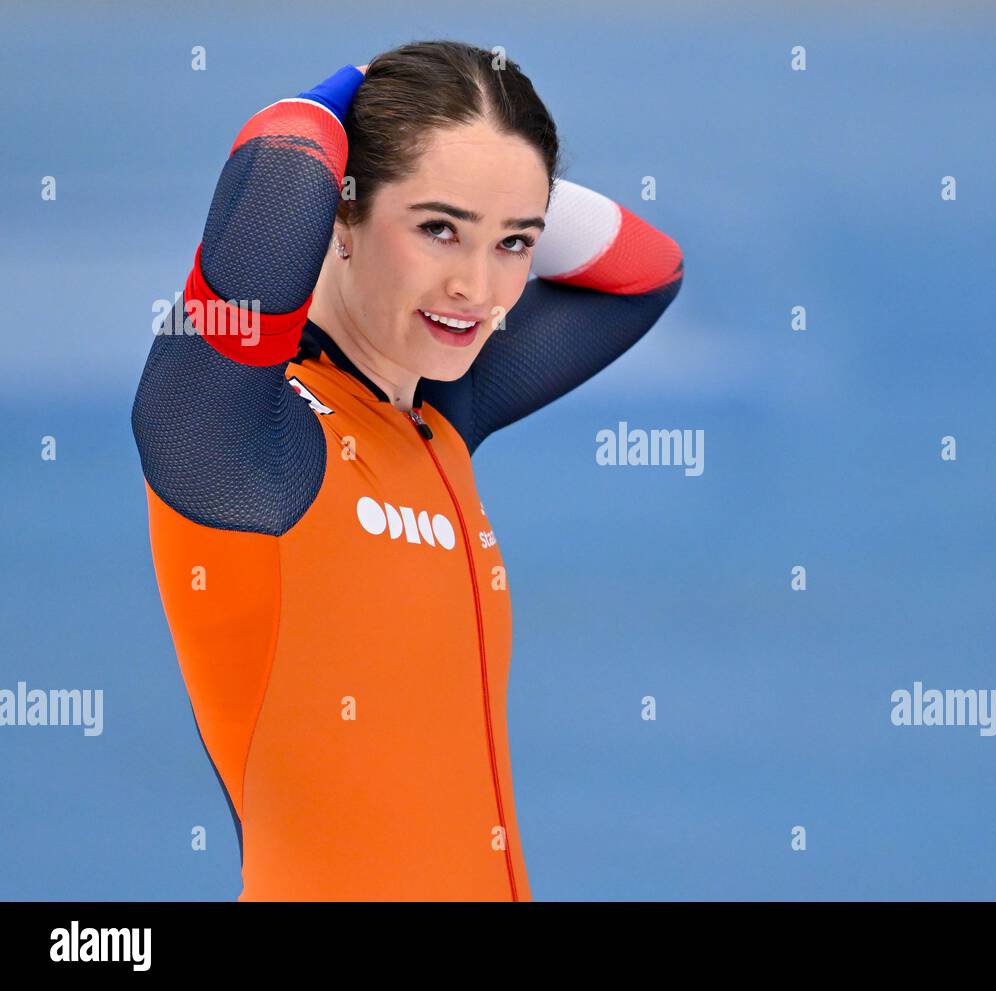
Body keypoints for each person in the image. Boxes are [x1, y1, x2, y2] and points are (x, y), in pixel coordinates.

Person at [131, 41, 684, 901]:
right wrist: (340, 106)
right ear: (341, 220)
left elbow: (647, 273)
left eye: (513, 243)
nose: (478, 287)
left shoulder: (437, 416)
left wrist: (494, 182)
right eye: (437, 229)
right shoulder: (239, 437)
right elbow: (282, 164)